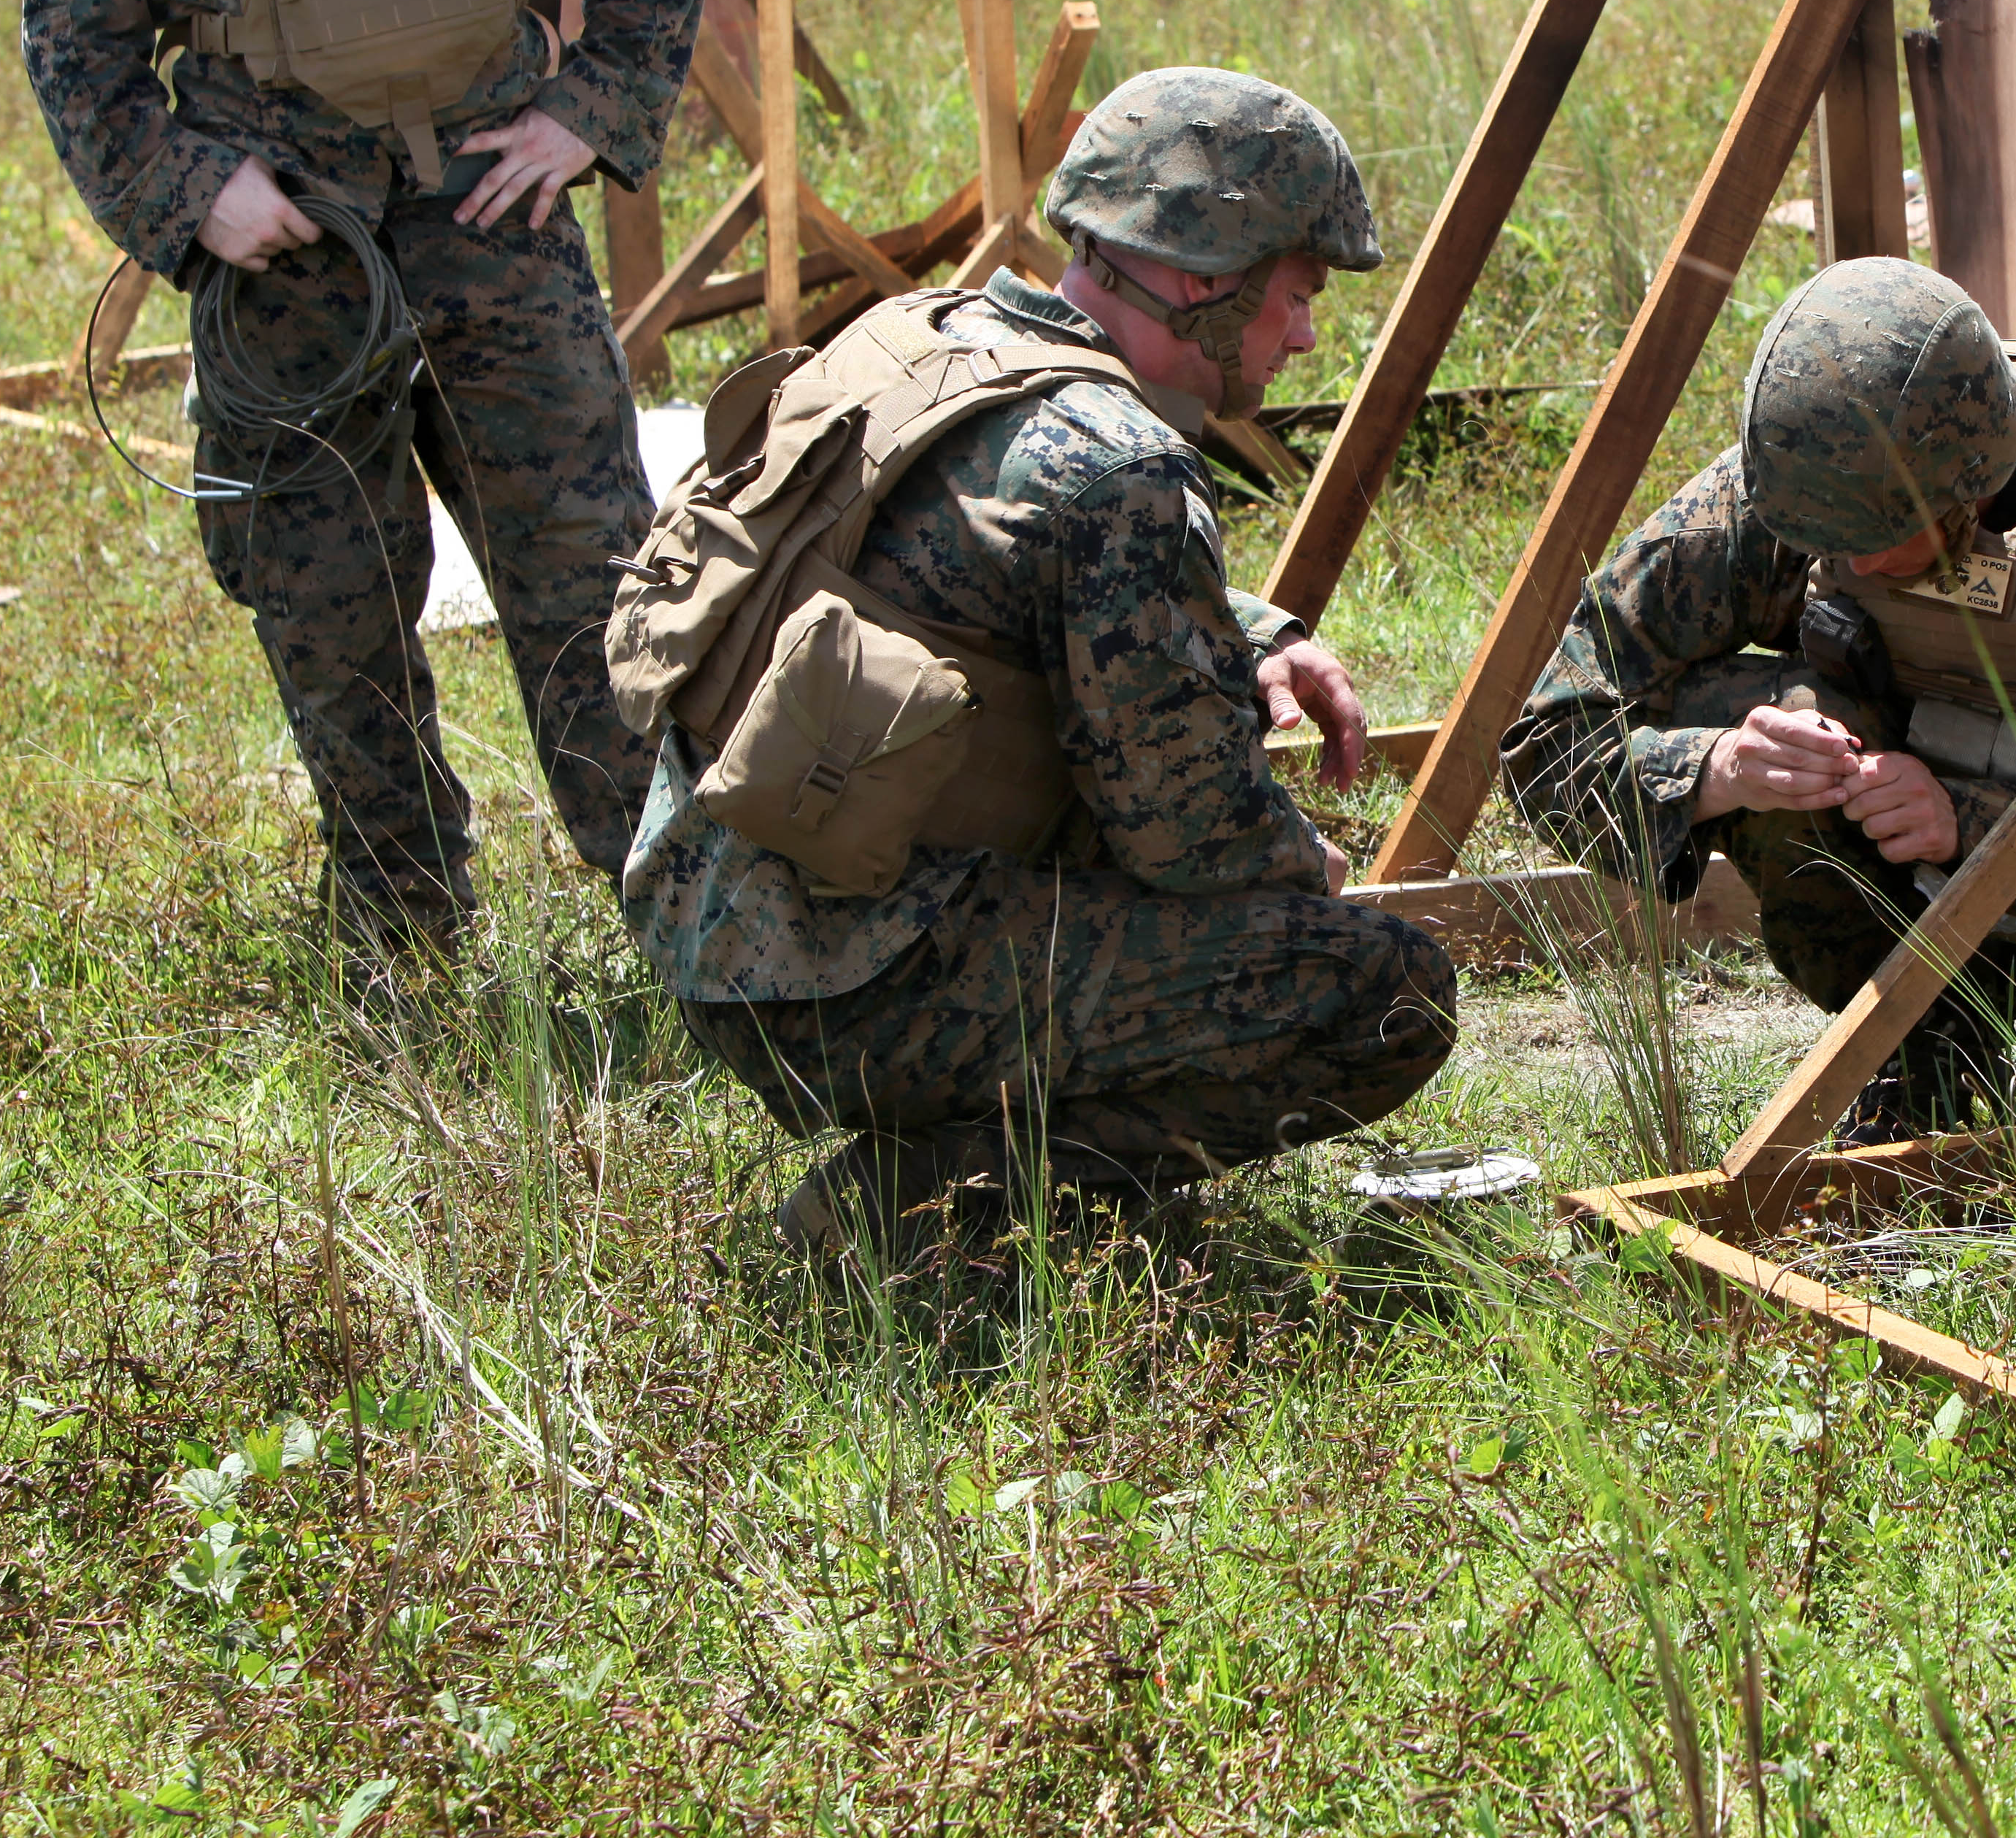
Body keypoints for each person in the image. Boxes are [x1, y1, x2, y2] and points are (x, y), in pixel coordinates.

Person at [18, 0, 715, 952]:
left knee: (598, 596)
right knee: (331, 618)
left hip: (493, 210)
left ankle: (686, 927)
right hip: (296, 248)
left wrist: (593, 108)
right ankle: (405, 939)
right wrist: (195, 198)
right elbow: (73, 25)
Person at [619, 69, 1455, 1266]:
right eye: (1296, 291)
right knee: (1379, 989)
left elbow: (974, 569)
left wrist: (1254, 635)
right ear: (1203, 278)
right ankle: (923, 1209)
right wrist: (1295, 863)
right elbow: (1194, 836)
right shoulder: (1122, 465)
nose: (1308, 333)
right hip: (849, 978)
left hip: (708, 914)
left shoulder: (923, 334)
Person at [1503, 258, 2016, 1134]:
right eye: (1829, 540)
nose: (1850, 564)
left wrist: (1969, 824)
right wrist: (1719, 769)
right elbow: (1549, 734)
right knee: (1727, 709)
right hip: (1905, 872)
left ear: (1968, 485)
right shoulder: (1804, 490)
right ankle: (1926, 1056)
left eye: (1878, 539)